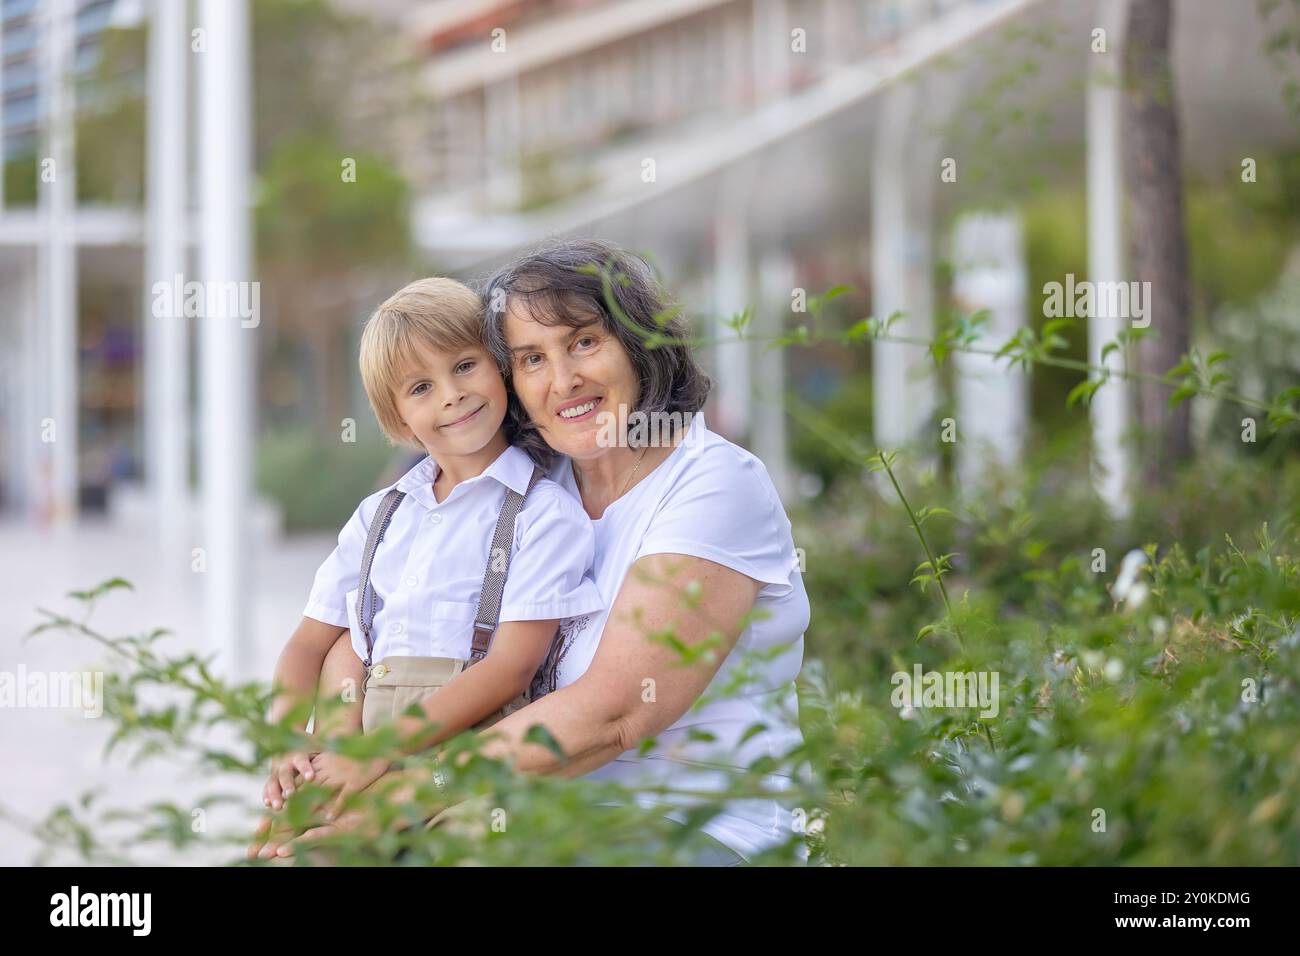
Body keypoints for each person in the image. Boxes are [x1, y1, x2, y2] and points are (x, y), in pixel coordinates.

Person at [256, 241, 810, 866]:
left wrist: (394, 798)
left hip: (688, 826)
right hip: (522, 814)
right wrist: (320, 778)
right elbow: (355, 634)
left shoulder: (712, 484)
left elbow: (614, 712)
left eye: (584, 342)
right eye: (531, 359)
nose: (563, 379)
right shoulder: (529, 489)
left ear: (639, 344)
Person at [256, 276, 602, 821]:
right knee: (294, 847)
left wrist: (379, 753)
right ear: (397, 419)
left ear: (500, 368)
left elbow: (510, 668)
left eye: (465, 366)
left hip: (468, 748)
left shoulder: (544, 513)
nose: (451, 394)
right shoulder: (379, 516)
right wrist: (288, 741)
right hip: (361, 737)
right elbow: (308, 645)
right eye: (420, 388)